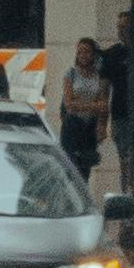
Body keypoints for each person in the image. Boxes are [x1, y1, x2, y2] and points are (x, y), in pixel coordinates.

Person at [54, 37, 111, 179]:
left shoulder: (101, 77)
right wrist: (94, 105)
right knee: (69, 167)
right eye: (79, 52)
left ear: (94, 54)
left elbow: (104, 106)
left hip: (90, 127)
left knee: (85, 169)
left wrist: (101, 124)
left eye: (87, 52)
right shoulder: (71, 74)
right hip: (72, 124)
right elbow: (69, 104)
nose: (83, 55)